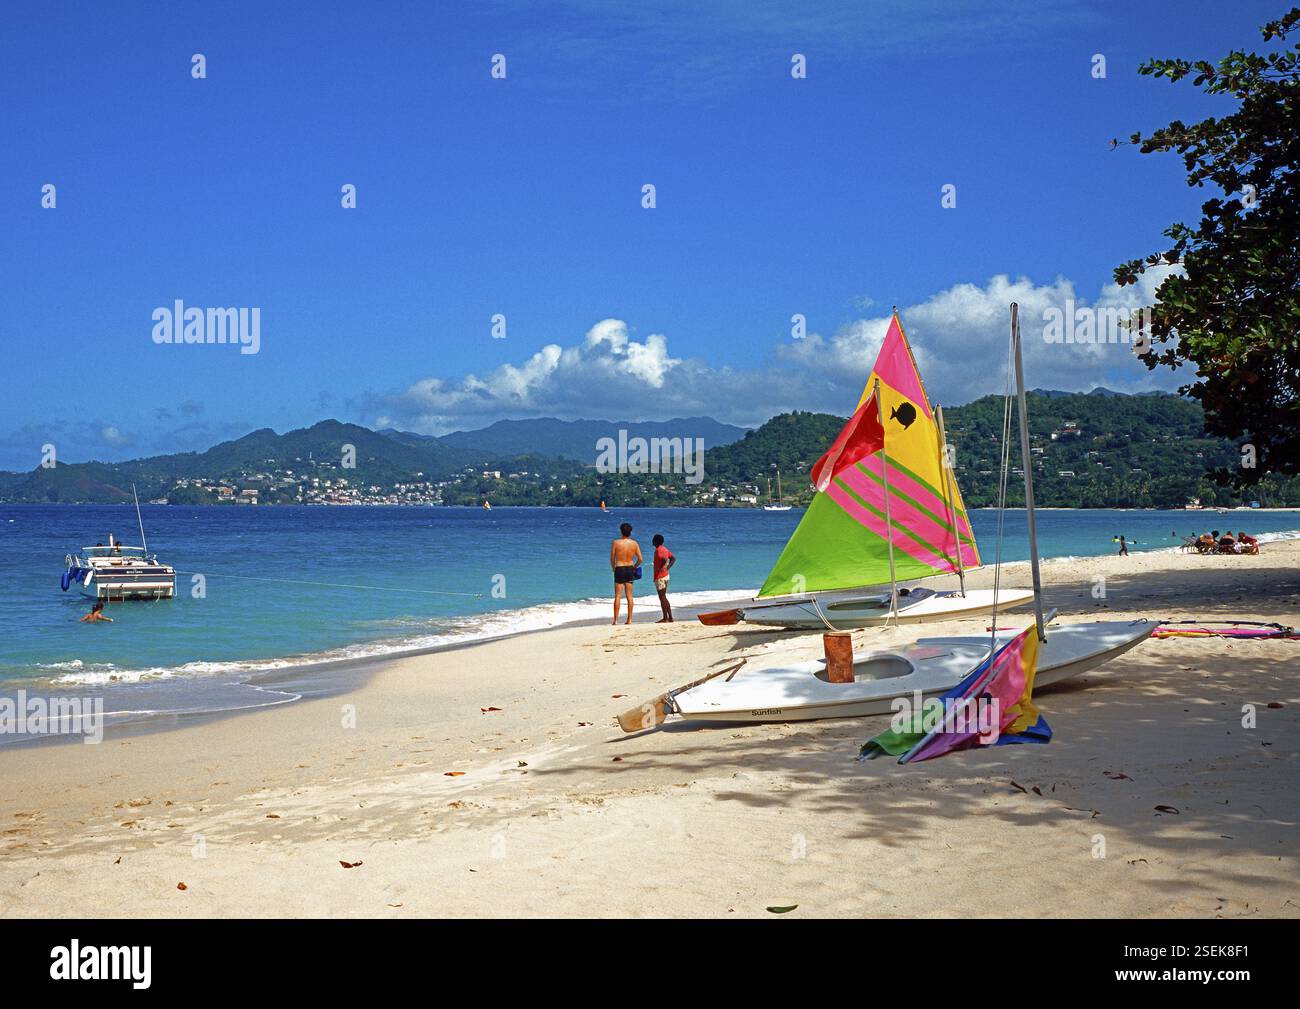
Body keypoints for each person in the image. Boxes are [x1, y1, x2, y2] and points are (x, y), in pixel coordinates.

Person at [609, 522, 642, 625]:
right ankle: (630, 619)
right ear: (630, 532)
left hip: (619, 567)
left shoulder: (616, 543)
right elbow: (640, 559)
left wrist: (614, 568)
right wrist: (634, 567)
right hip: (629, 568)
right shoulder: (634, 543)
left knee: (618, 596)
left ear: (621, 531)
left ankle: (615, 620)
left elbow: (612, 558)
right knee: (629, 596)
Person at [651, 533, 676, 623]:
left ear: (656, 541)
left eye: (653, 539)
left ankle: (665, 618)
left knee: (662, 598)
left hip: (660, 577)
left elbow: (664, 559)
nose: (652, 541)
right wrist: (667, 567)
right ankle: (670, 617)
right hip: (665, 575)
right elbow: (673, 558)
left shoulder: (658, 550)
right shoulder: (665, 549)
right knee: (664, 597)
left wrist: (660, 568)